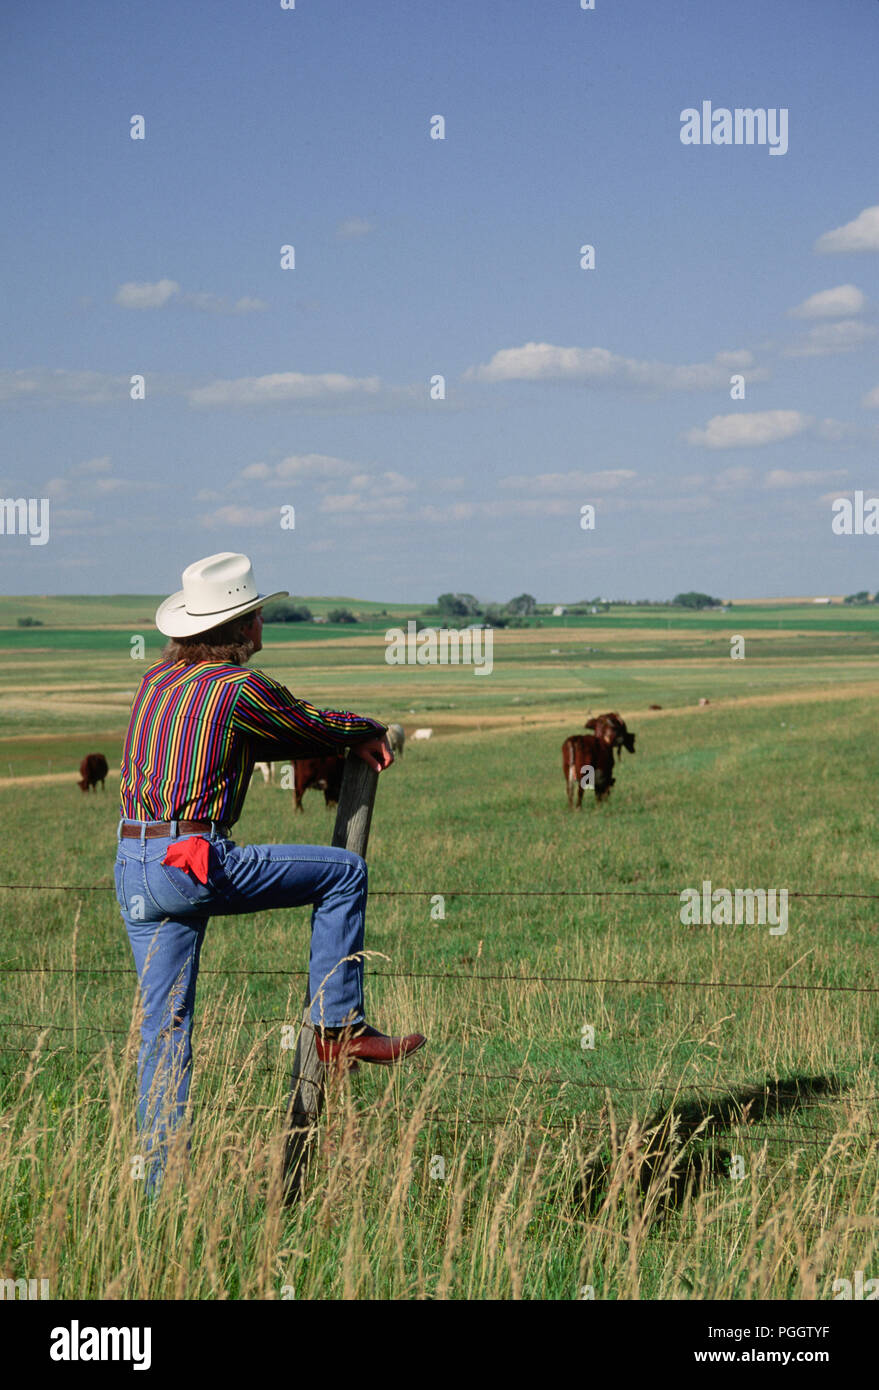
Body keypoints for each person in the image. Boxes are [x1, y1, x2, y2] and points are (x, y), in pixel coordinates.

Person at [114, 551, 425, 1194]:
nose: (261, 627)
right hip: (189, 858)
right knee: (342, 874)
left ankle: (156, 1192)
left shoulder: (156, 683)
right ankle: (340, 1027)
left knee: (163, 1034)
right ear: (244, 626)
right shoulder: (236, 687)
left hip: (132, 865)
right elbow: (303, 721)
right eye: (256, 616)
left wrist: (330, 741)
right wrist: (361, 730)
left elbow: (272, 738)